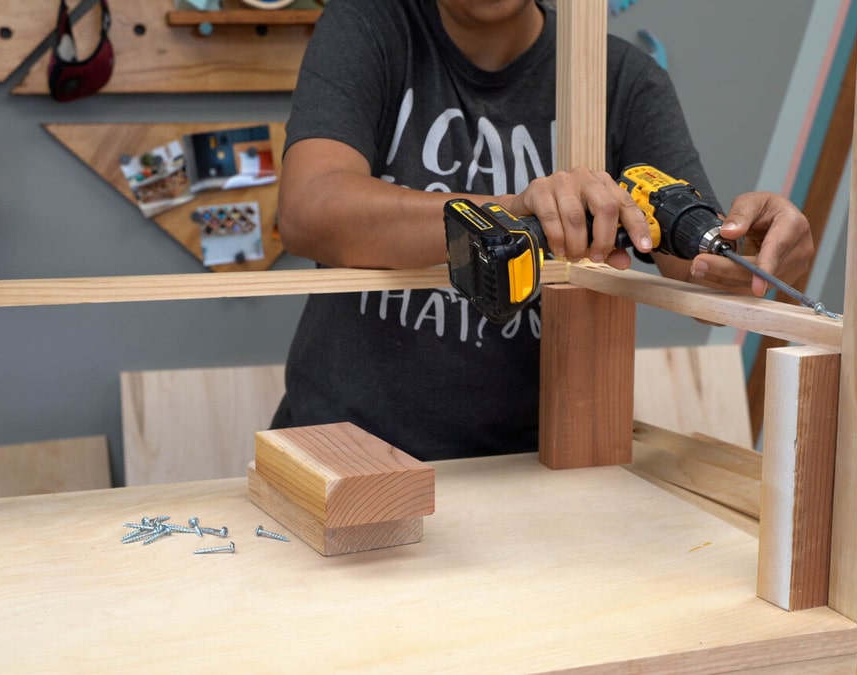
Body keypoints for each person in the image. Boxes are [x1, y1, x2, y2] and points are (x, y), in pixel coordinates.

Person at [271, 0, 814, 462]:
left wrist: (751, 252)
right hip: (343, 447)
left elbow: (696, 266)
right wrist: (511, 213)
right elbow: (308, 210)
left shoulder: (620, 78)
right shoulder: (371, 23)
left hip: (535, 466)